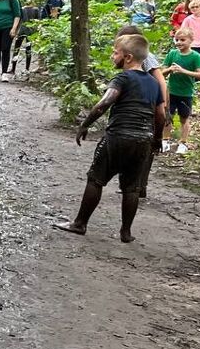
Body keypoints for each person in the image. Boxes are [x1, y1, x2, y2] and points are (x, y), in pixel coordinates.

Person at [54, 34, 164, 244]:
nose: (113, 56)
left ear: (128, 57)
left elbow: (104, 103)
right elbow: (160, 114)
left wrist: (85, 124)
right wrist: (157, 139)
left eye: (115, 53)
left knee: (96, 178)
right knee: (132, 187)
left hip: (118, 137)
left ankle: (79, 223)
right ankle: (126, 232)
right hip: (143, 140)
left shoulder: (123, 78)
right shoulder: (153, 83)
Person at [116, 25, 168, 197]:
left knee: (147, 145)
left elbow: (160, 79)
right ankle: (138, 184)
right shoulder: (133, 57)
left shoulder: (146, 57)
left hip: (150, 106)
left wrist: (162, 106)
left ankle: (139, 185)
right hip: (145, 105)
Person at [162, 27, 200, 156]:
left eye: (182, 40)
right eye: (177, 40)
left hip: (186, 93)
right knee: (167, 117)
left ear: (191, 41)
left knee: (184, 118)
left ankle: (183, 142)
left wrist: (183, 71)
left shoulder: (195, 56)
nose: (179, 42)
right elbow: (161, 73)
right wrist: (170, 69)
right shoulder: (172, 54)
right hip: (171, 91)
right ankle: (165, 140)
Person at [8, 3, 42, 77]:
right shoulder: (36, 9)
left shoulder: (23, 9)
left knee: (16, 49)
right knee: (28, 50)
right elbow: (38, 20)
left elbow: (19, 20)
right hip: (31, 31)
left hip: (22, 30)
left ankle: (13, 69)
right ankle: (27, 69)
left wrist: (16, 30)